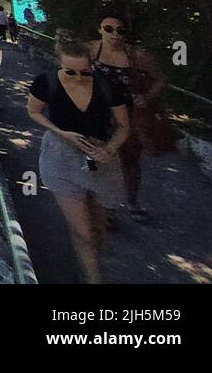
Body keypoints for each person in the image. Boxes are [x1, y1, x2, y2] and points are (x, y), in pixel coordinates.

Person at [27, 32, 130, 284]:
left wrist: (109, 149)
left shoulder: (107, 85)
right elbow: (33, 111)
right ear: (59, 64)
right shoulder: (45, 82)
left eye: (85, 72)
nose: (79, 78)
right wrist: (61, 133)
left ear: (92, 65)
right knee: (82, 232)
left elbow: (124, 126)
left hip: (100, 156)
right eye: (70, 72)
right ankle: (93, 278)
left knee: (97, 227)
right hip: (60, 157)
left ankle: (91, 262)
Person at [85, 16, 171, 221]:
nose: (114, 34)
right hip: (98, 114)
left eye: (119, 30)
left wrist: (146, 97)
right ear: (100, 30)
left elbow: (161, 79)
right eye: (109, 29)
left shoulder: (136, 55)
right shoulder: (91, 49)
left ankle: (132, 202)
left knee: (130, 160)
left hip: (129, 115)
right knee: (97, 159)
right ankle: (106, 207)